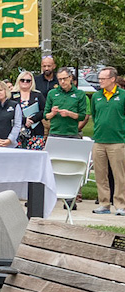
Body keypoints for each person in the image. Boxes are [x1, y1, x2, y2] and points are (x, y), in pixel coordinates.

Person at [92, 66, 124, 215]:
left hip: (117, 141)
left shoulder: (123, 96)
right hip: (99, 140)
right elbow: (94, 115)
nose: (100, 81)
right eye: (99, 79)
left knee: (119, 175)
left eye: (103, 79)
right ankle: (104, 204)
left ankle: (120, 204)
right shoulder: (96, 96)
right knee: (100, 174)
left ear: (113, 79)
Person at [45, 65, 92, 139]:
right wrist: (52, 113)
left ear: (70, 78)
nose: (62, 82)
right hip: (54, 133)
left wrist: (69, 114)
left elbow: (82, 116)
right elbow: (45, 116)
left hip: (72, 133)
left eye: (64, 78)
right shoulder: (52, 93)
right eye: (60, 79)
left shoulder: (80, 94)